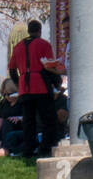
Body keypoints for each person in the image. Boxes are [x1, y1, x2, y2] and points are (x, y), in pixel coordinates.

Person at [9, 19, 62, 158]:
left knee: (28, 121)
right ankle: (46, 148)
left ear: (28, 31)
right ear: (39, 31)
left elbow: (12, 70)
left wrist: (18, 83)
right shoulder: (44, 44)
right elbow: (49, 65)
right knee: (48, 120)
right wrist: (57, 82)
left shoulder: (18, 47)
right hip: (41, 86)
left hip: (25, 88)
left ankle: (28, 149)